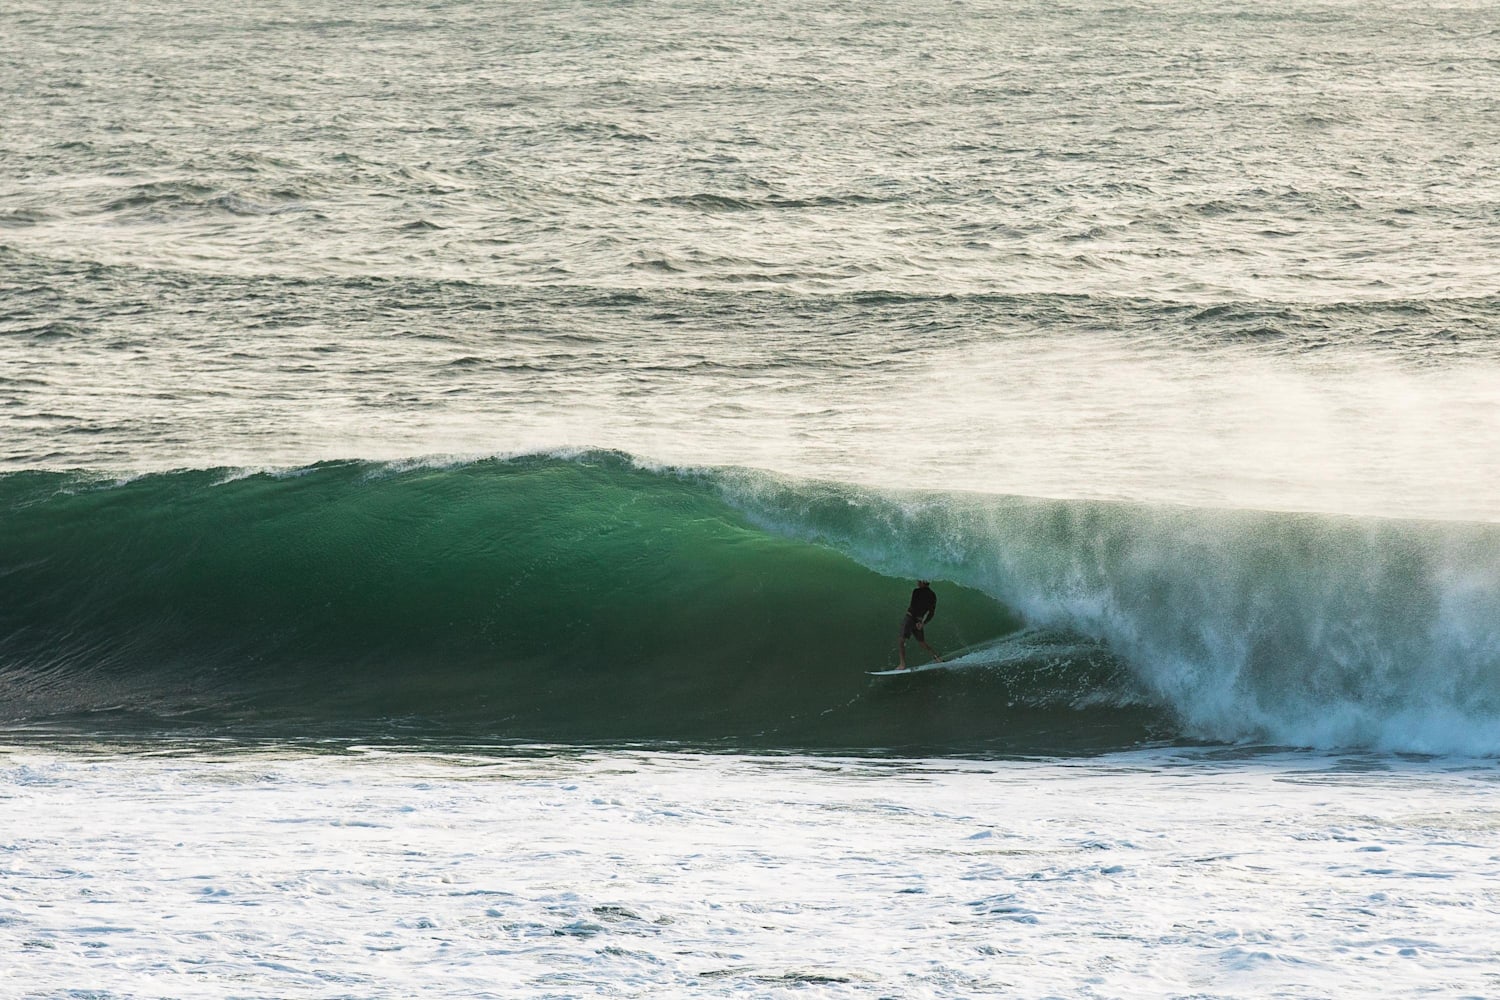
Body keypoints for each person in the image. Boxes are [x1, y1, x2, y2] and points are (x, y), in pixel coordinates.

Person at [897, 580, 943, 670]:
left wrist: (914, 620)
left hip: (910, 618)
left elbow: (914, 606)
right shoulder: (933, 595)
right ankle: (938, 658)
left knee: (901, 641)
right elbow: (931, 613)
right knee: (922, 643)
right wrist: (922, 623)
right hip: (919, 621)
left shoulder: (916, 591)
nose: (917, 582)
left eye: (919, 581)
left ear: (923, 582)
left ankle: (902, 664)